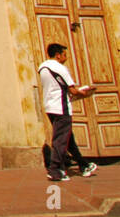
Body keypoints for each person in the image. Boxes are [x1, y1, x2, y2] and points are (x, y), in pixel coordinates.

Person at [39, 42, 98, 182]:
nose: (66, 58)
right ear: (58, 55)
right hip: (61, 108)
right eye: (64, 55)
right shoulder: (60, 68)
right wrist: (85, 92)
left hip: (50, 106)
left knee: (68, 138)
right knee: (60, 139)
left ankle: (83, 165)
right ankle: (55, 170)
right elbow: (72, 90)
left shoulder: (42, 68)